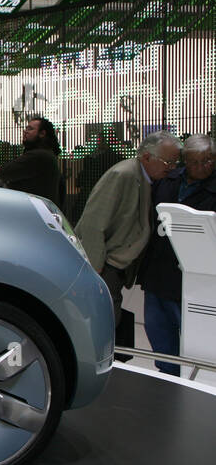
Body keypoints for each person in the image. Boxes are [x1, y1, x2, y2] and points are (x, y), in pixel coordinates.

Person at [75, 130, 181, 327]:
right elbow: (93, 222)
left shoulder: (146, 179)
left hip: (116, 266)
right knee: (104, 322)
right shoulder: (123, 175)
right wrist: (96, 267)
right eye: (169, 163)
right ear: (147, 157)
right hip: (105, 266)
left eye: (176, 163)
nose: (173, 168)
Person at [138, 134, 216, 375]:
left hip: (196, 279)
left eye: (208, 161)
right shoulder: (167, 180)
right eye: (194, 162)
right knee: (159, 334)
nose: (201, 167)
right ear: (184, 160)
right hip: (158, 272)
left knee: (195, 339)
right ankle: (167, 377)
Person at [0, 116, 62, 202]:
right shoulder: (48, 155)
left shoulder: (38, 156)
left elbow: (4, 172)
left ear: (42, 134)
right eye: (26, 128)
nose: (25, 132)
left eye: (30, 129)